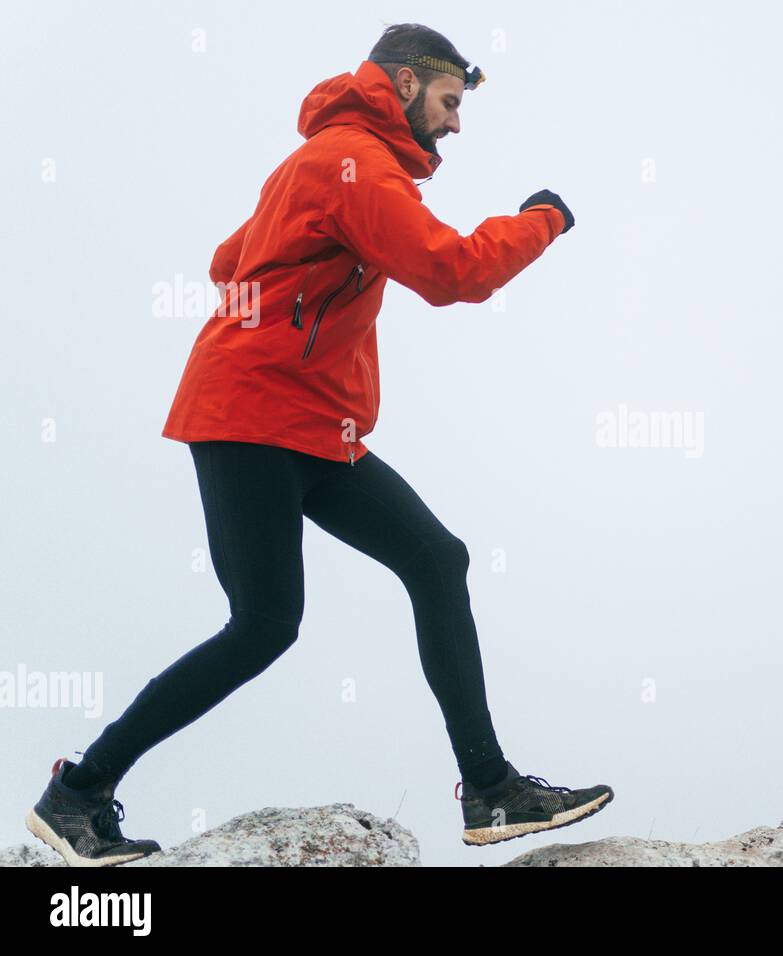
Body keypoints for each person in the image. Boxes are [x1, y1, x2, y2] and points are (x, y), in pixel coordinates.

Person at [26, 23, 612, 866]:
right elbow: (453, 273)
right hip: (253, 414)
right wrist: (542, 220)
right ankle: (78, 791)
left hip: (311, 425)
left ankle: (490, 791)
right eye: (450, 103)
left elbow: (231, 260)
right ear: (404, 85)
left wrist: (293, 298)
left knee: (436, 560)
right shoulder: (355, 164)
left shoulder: (331, 164)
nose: (456, 125)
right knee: (264, 623)